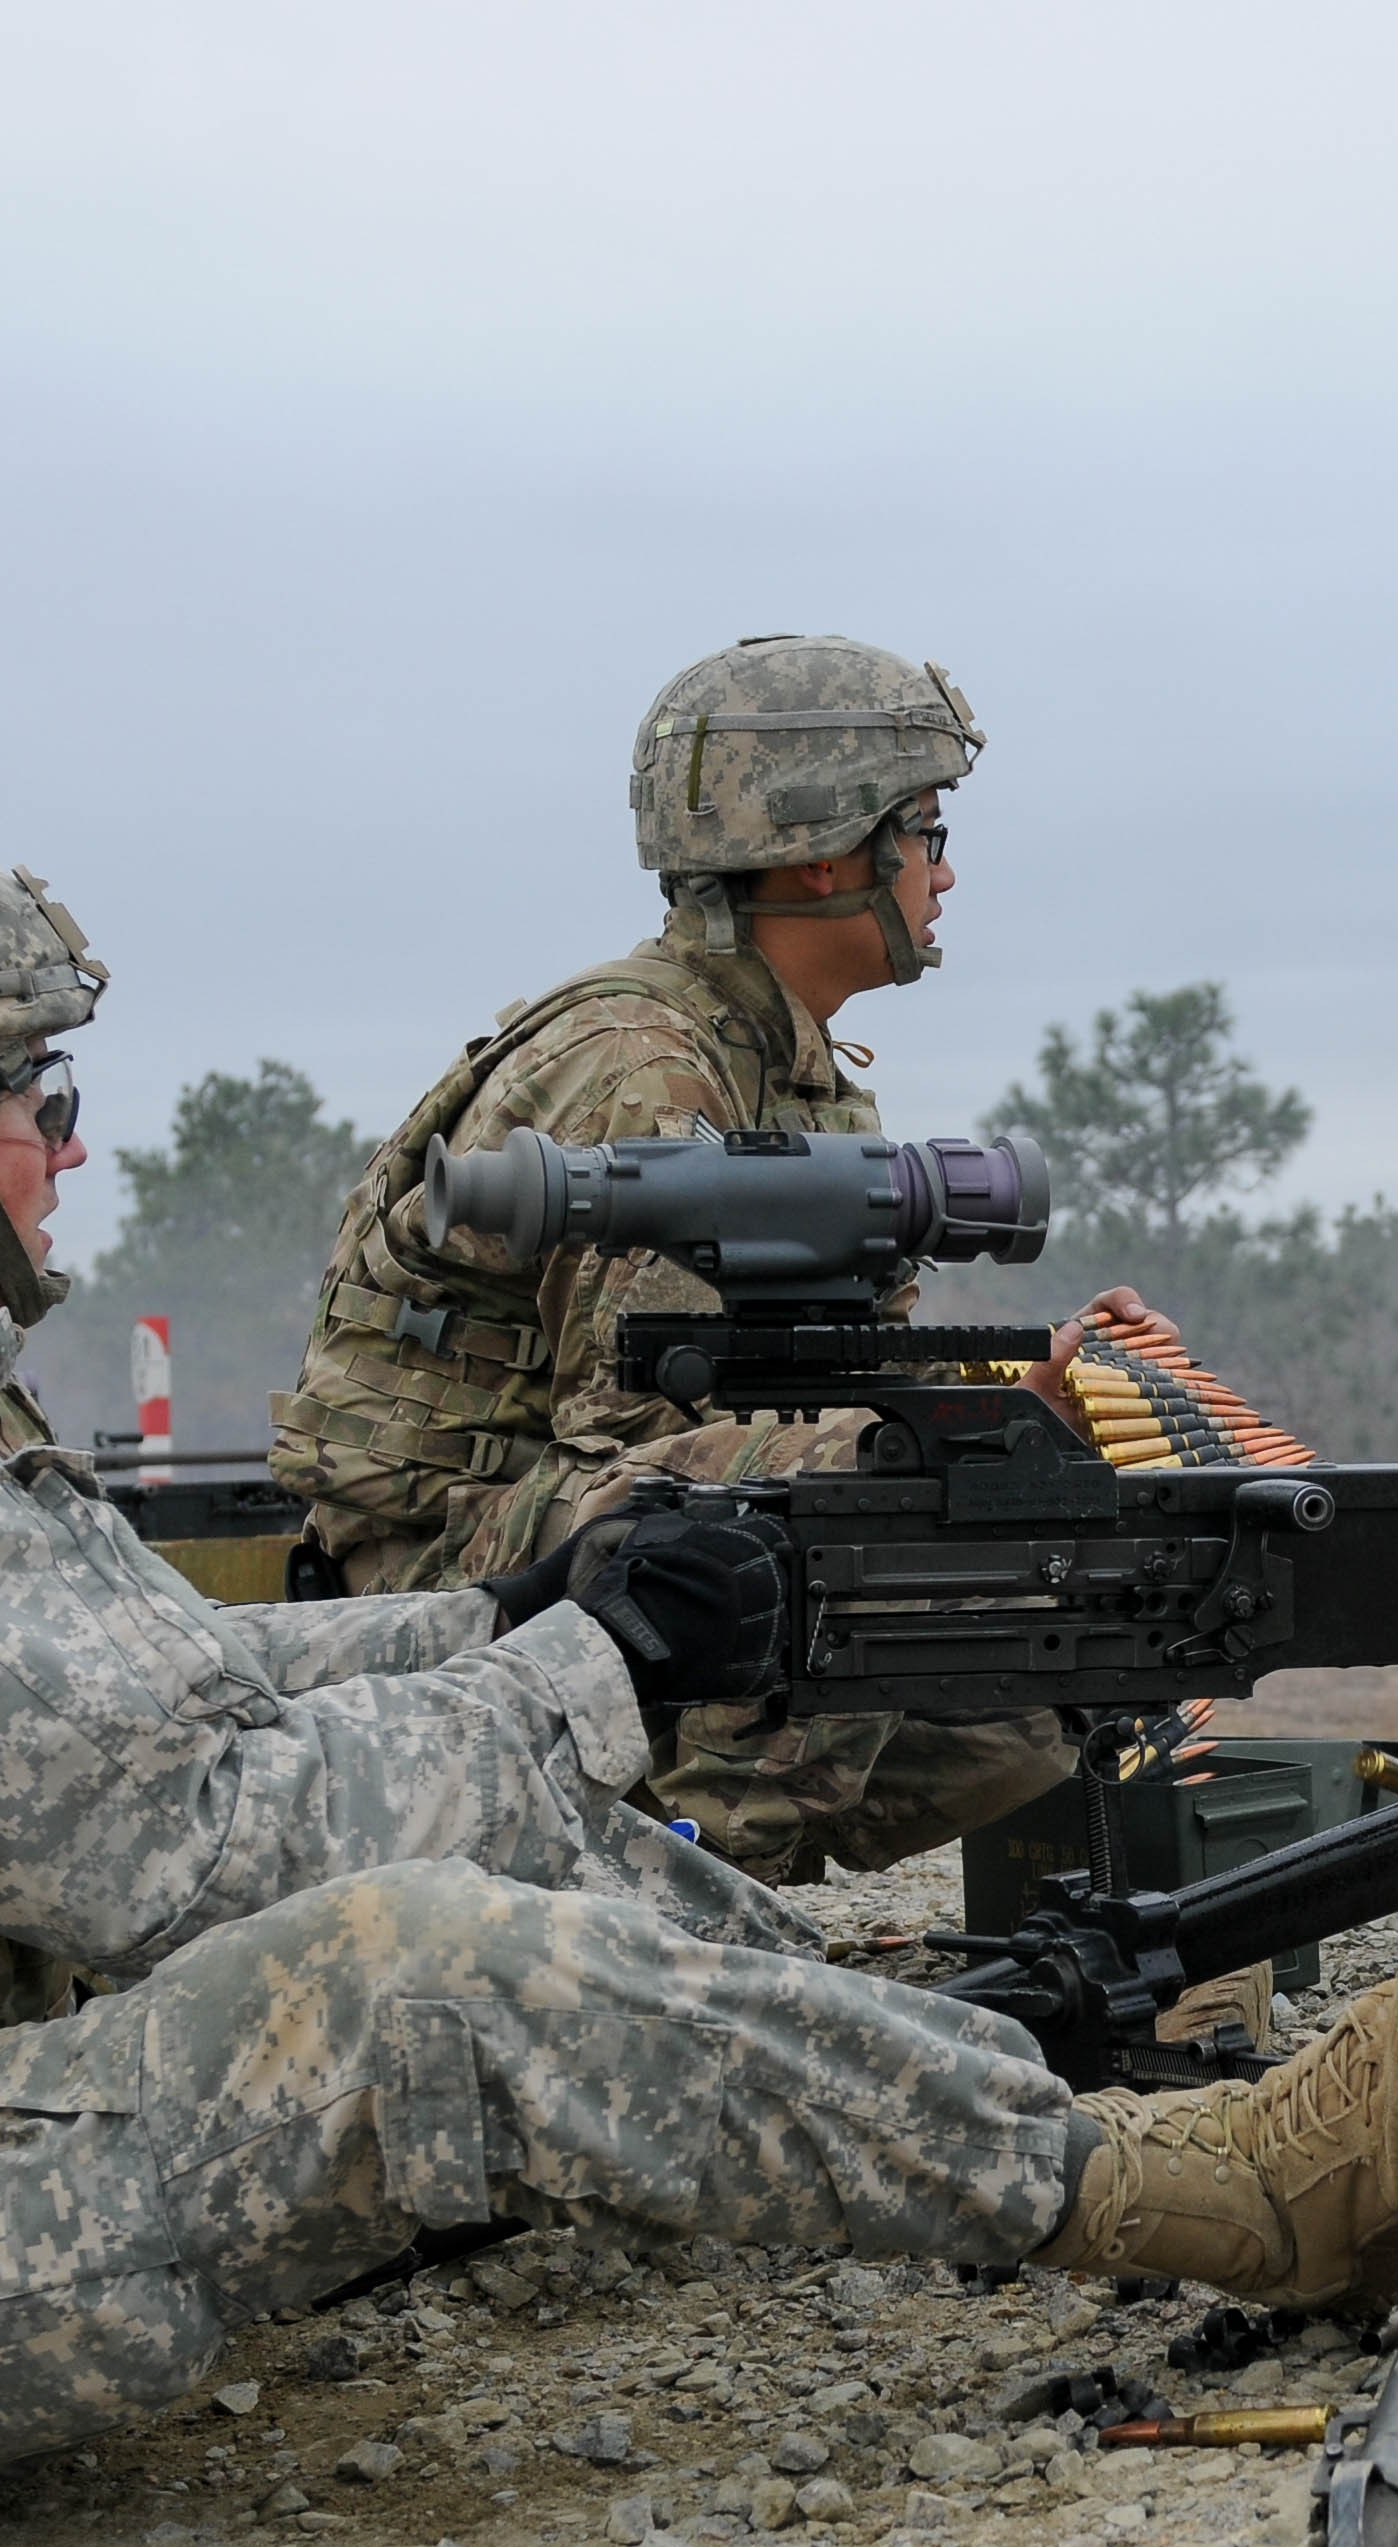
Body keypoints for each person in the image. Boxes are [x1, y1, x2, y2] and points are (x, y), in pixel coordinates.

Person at [0, 833, 1398, 2547]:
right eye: (28, 1092)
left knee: (513, 1776)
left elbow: (137, 1690)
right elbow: (191, 1849)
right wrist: (599, 1670)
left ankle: (960, 2085)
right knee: (416, 1963)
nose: (64, 1137)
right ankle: (1182, 2195)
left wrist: (511, 1615)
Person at [273, 636, 1136, 1884]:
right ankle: (677, 1915)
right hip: (455, 1561)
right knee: (830, 1517)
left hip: (569, 1514)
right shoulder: (648, 1070)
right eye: (928, 835)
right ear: (832, 851)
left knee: (1024, 1689)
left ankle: (697, 1873)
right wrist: (923, 1446)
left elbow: (818, 1379)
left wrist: (1022, 1403)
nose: (944, 875)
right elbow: (641, 1445)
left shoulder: (781, 1064)